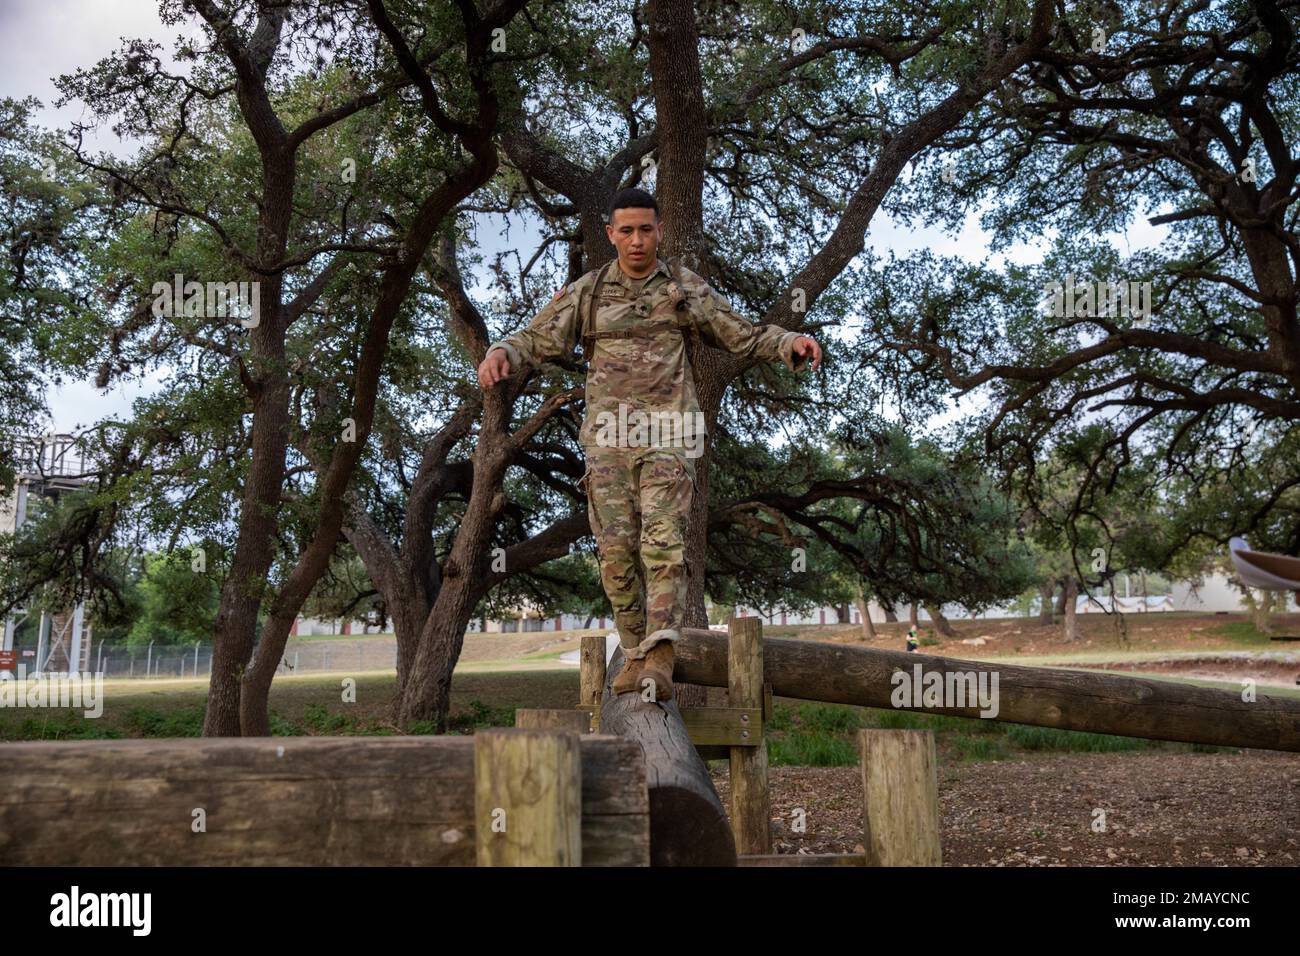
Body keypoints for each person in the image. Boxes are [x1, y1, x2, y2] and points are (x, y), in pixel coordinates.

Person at [477, 188, 821, 700]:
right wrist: (501, 349)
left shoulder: (684, 289)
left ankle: (659, 656)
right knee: (615, 556)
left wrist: (788, 341)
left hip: (668, 437)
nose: (637, 241)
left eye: (646, 229)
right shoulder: (589, 292)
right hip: (608, 442)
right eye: (626, 231)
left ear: (659, 231)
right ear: (611, 234)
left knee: (663, 546)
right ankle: (636, 650)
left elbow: (740, 334)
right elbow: (536, 337)